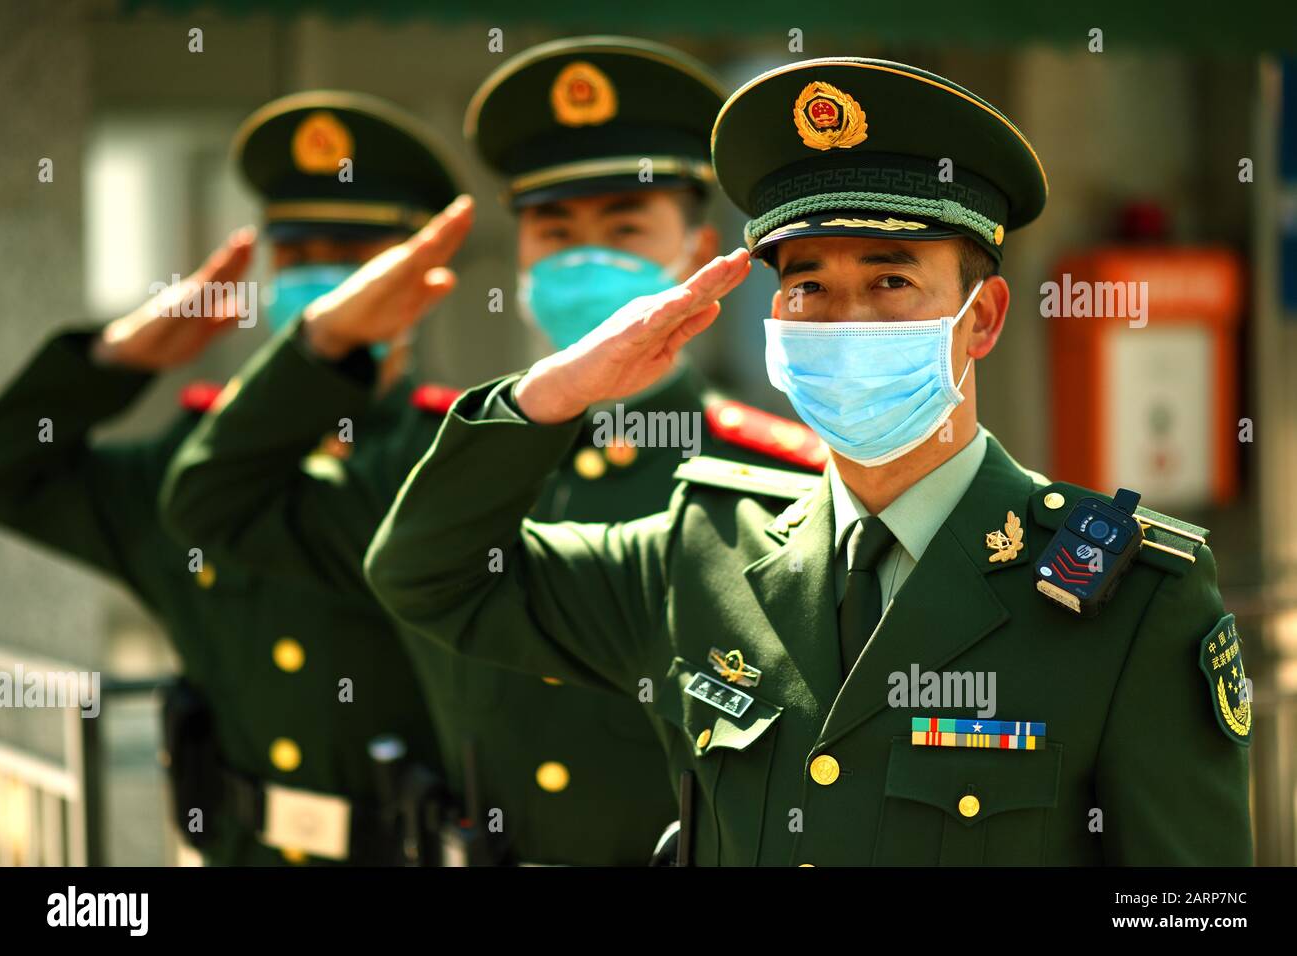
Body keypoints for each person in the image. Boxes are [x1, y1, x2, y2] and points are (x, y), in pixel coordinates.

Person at [360, 57, 1253, 866]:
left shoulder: (1133, 598)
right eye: (808, 286)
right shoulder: (698, 554)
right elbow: (427, 576)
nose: (846, 320)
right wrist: (556, 393)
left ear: (981, 319)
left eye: (891, 280)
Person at [161, 37, 826, 866]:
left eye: (625, 227)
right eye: (554, 229)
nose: (586, 257)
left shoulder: (782, 478)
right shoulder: (441, 466)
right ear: (519, 254)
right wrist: (325, 340)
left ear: (697, 248)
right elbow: (214, 505)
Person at [0, 91, 459, 865]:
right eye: (299, 257)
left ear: (423, 274)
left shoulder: (450, 456)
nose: (326, 285)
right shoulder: (190, 461)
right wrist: (115, 362)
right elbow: (13, 472)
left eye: (354, 260)